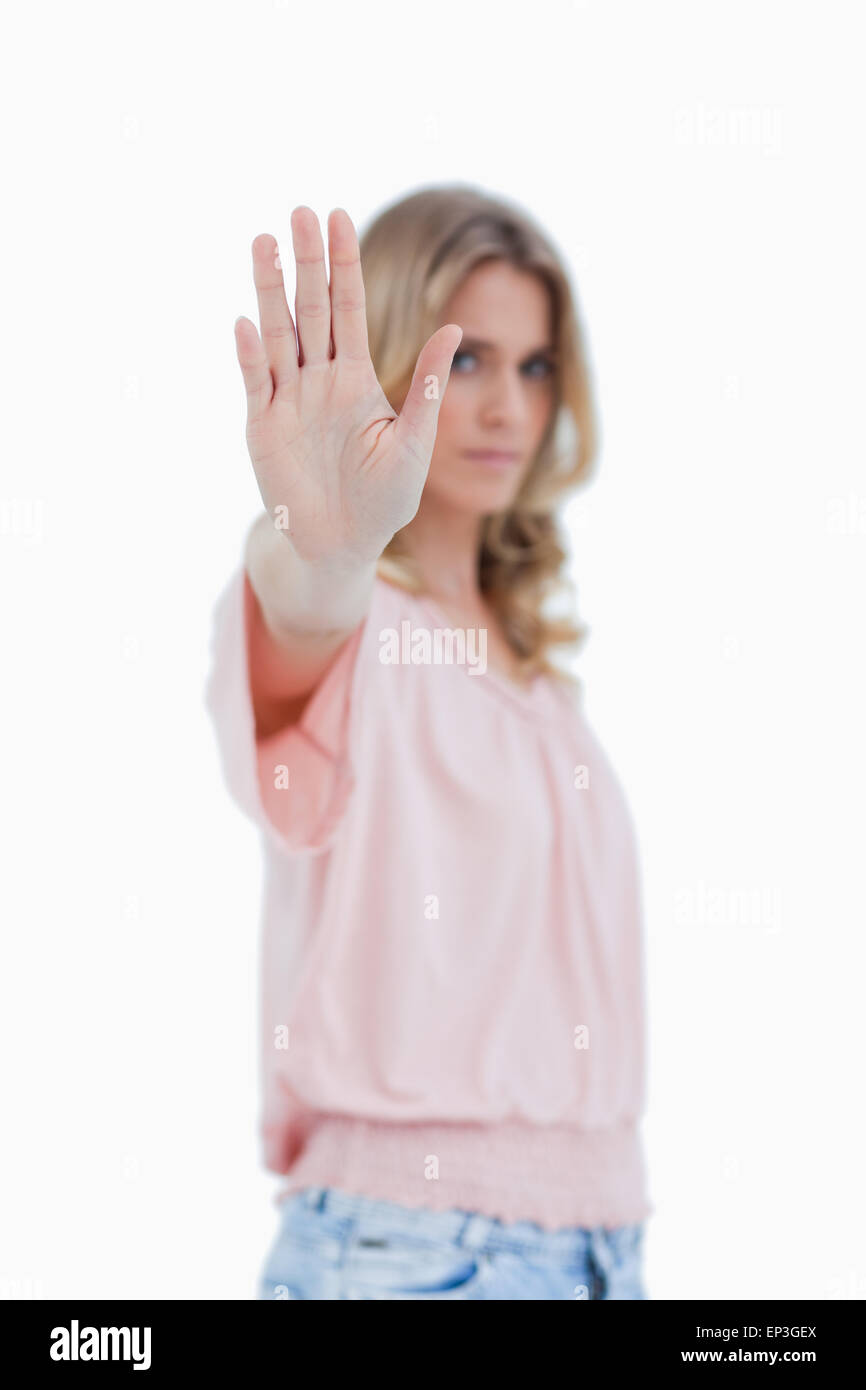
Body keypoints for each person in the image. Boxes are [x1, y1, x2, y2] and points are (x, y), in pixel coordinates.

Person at [204, 185, 653, 1300]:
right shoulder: (358, 626)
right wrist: (323, 546)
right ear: (394, 357)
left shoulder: (538, 673)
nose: (507, 405)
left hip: (597, 1248)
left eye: (535, 366)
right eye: (465, 361)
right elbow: (300, 604)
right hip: (416, 1252)